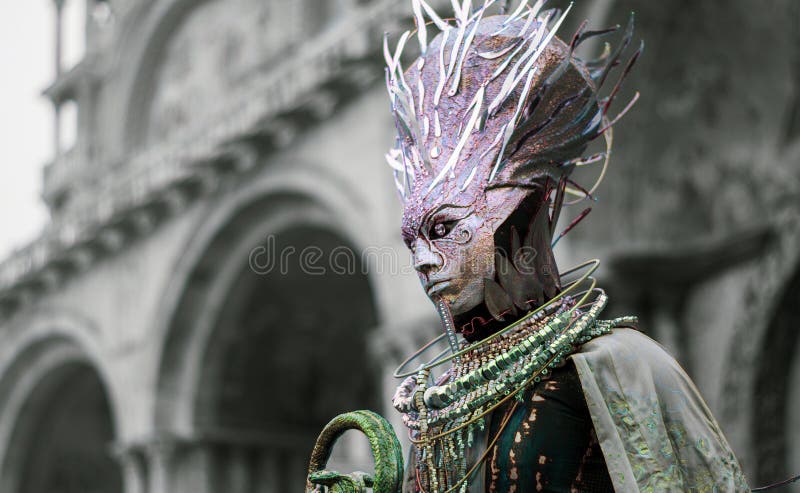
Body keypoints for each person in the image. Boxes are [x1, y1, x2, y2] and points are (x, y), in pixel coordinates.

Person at [307, 1, 750, 491]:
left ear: (511, 218)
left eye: (441, 230)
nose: (422, 260)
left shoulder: (616, 363)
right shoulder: (447, 410)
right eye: (411, 242)